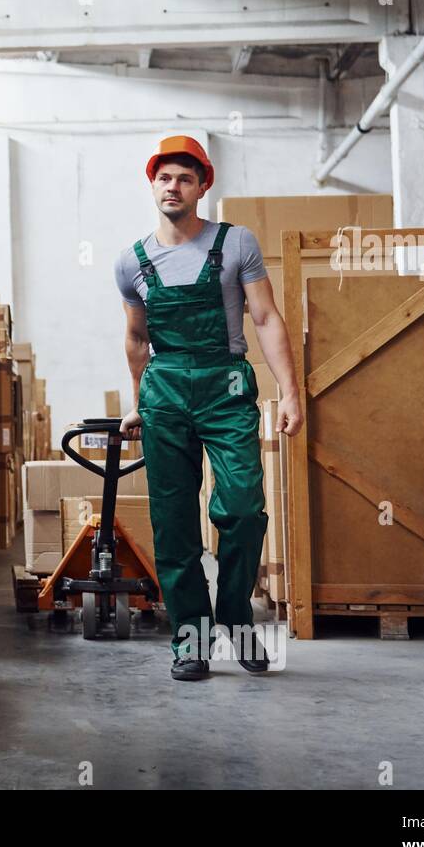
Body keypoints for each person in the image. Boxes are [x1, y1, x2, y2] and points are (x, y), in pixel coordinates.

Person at [114, 135, 303, 681]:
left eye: (185, 179)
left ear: (202, 187)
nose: (174, 187)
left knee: (242, 507)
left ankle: (237, 617)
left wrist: (290, 393)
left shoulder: (236, 242)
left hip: (226, 385)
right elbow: (135, 338)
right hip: (165, 391)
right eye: (165, 178)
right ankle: (190, 638)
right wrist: (138, 404)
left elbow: (265, 318)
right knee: (173, 522)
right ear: (153, 184)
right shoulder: (132, 260)